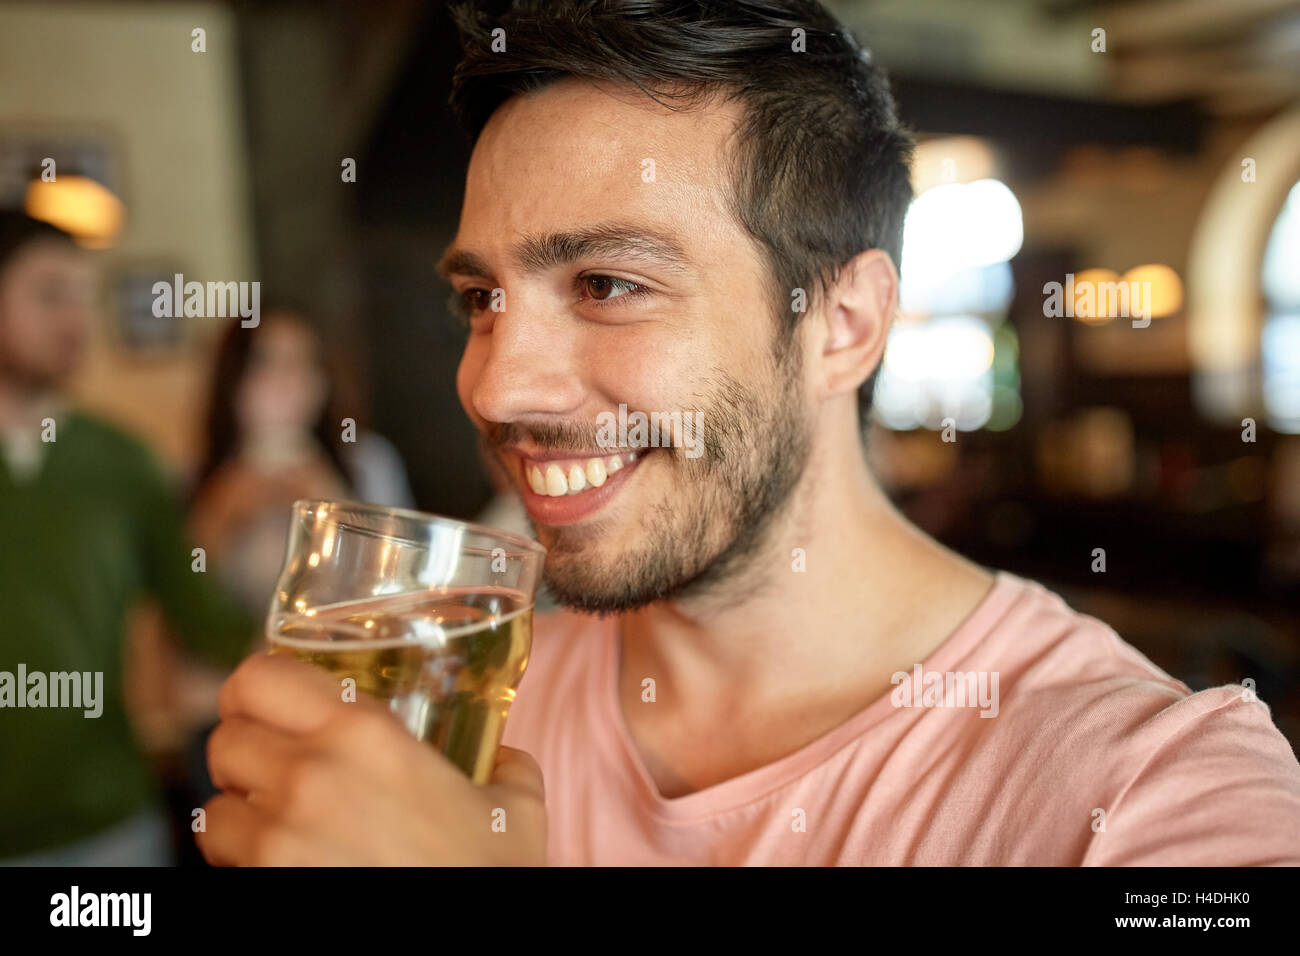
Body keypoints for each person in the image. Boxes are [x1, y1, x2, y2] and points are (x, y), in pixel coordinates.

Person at [196, 0, 1300, 866]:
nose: (494, 385)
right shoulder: (478, 693)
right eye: (480, 299)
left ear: (844, 322)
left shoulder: (1151, 792)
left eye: (608, 281)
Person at [0, 210, 255, 865]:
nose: (76, 320)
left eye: (86, 298)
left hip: (106, 828)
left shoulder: (125, 463)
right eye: (51, 294)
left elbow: (202, 618)